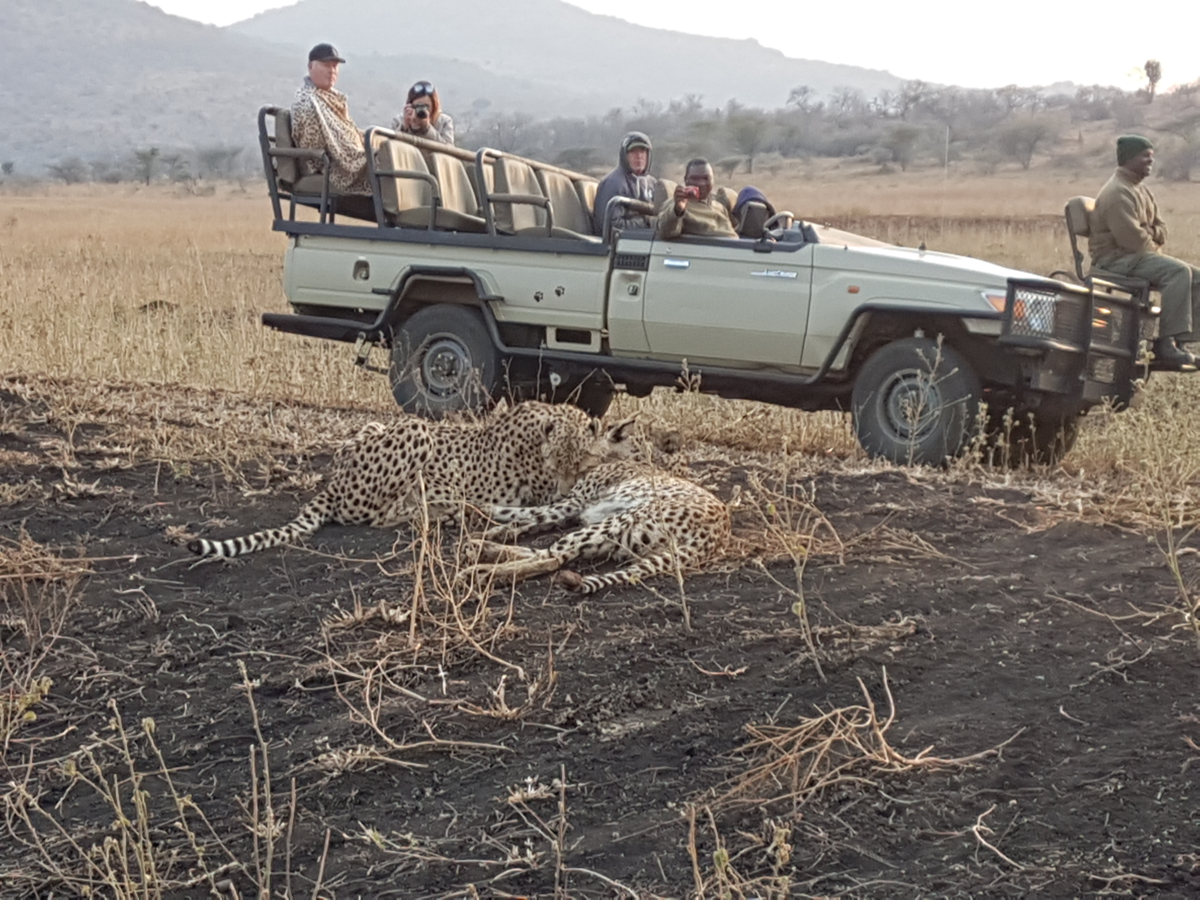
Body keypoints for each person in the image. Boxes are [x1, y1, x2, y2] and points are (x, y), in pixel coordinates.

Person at [1090, 134, 1200, 370]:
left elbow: (1161, 229)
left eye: (1151, 157)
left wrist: (1151, 232)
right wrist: (1152, 234)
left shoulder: (1140, 189)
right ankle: (1164, 345)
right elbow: (1135, 242)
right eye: (1145, 157)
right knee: (1179, 272)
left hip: (1135, 256)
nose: (1150, 162)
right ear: (1129, 159)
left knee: (1197, 276)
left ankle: (1182, 342)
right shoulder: (1118, 193)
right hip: (1115, 261)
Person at [290, 43, 371, 195]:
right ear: (310, 67)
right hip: (332, 168)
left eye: (335, 66)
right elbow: (315, 150)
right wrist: (356, 157)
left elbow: (345, 133)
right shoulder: (307, 101)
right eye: (326, 65)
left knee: (388, 151)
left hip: (346, 158)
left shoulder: (331, 97)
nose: (332, 71)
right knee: (383, 164)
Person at [592, 132, 658, 234]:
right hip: (621, 245)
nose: (639, 156)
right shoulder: (613, 183)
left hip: (650, 241)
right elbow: (610, 227)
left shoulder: (653, 183)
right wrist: (647, 222)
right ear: (624, 155)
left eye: (643, 151)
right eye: (633, 151)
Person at [656, 158, 737, 240]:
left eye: (706, 178)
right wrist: (678, 209)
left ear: (713, 180)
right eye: (695, 179)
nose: (701, 183)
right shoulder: (676, 204)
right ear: (686, 180)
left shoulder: (719, 207)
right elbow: (667, 232)